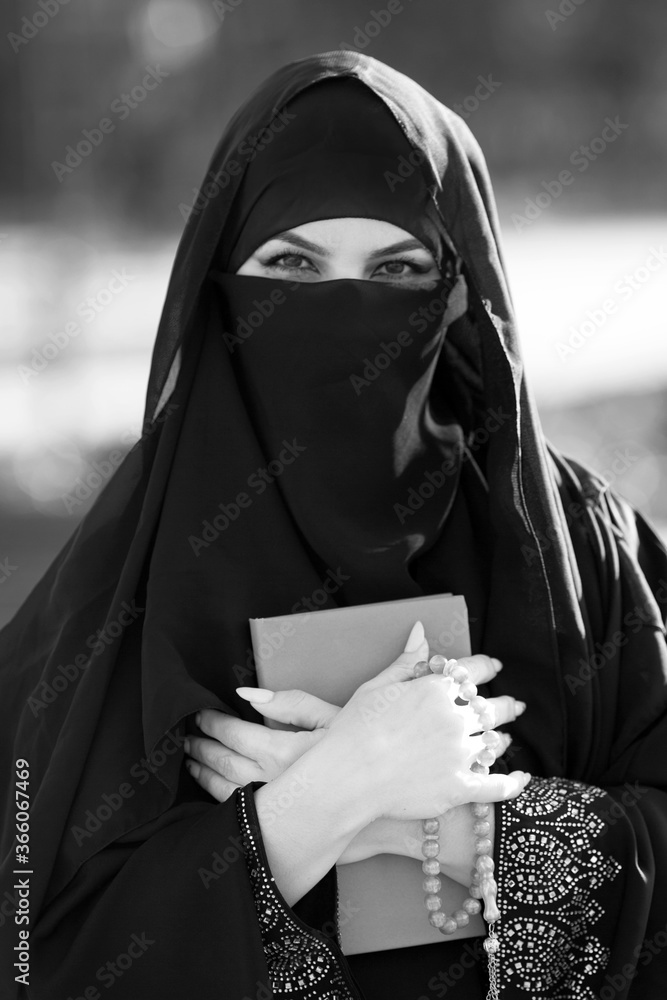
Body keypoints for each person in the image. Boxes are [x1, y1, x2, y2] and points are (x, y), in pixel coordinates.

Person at [1, 51, 666, 1000]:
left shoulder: (576, 547)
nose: (344, 311)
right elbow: (31, 949)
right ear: (215, 289)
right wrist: (319, 804)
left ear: (458, 293)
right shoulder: (113, 602)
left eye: (396, 269)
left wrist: (450, 825)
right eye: (291, 266)